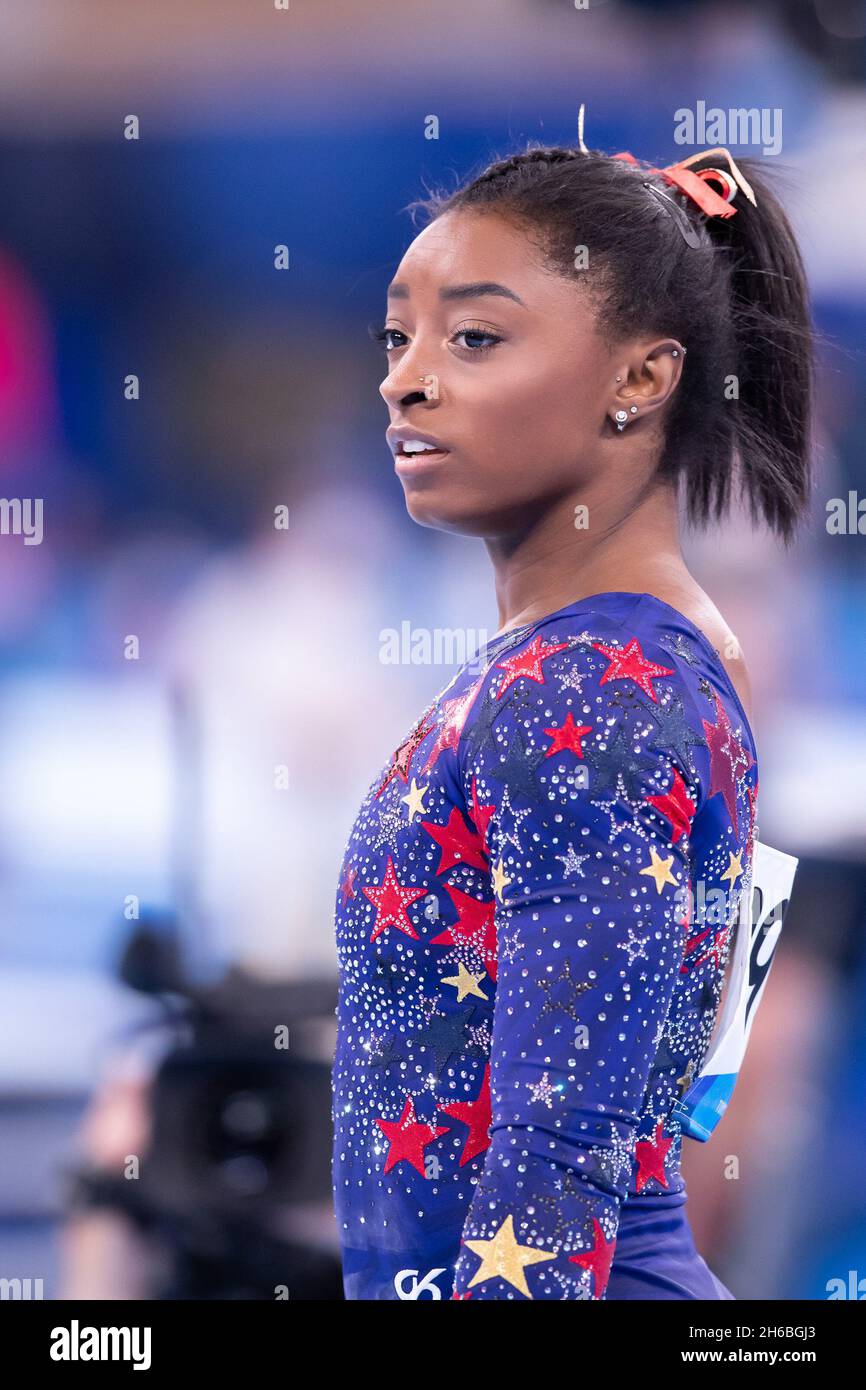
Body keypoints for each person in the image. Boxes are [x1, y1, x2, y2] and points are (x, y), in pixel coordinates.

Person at [330, 128, 813, 1300]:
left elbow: (558, 1159)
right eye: (399, 336)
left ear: (639, 380)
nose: (405, 377)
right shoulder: (597, 663)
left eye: (474, 337)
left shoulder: (591, 692)